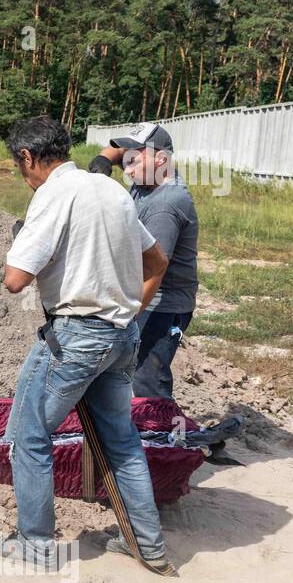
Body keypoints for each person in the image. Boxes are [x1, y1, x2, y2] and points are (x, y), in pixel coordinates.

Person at [0, 117, 172, 572]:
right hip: (120, 337)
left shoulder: (53, 195)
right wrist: (132, 310)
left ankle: (35, 546)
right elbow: (156, 262)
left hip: (75, 335)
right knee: (121, 440)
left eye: (21, 168)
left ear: (29, 158)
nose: (24, 177)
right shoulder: (111, 190)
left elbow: (15, 280)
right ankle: (148, 545)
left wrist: (25, 243)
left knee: (28, 437)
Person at [89, 123, 199, 400]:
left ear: (161, 159)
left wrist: (126, 316)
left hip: (158, 304)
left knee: (145, 379)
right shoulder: (148, 179)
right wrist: (104, 160)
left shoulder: (165, 204)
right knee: (125, 375)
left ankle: (163, 436)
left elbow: (153, 268)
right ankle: (138, 432)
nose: (126, 169)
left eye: (134, 161)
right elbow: (118, 149)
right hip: (142, 294)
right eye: (126, 160)